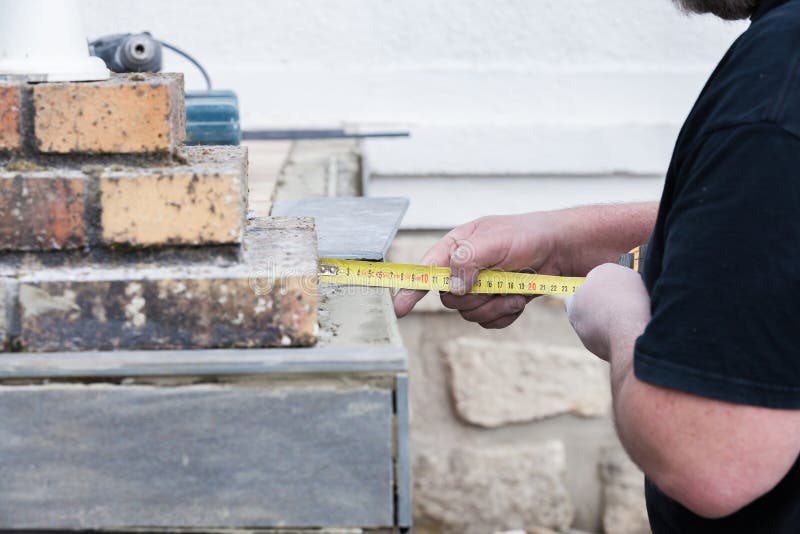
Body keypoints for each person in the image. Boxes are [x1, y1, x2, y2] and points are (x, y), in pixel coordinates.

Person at [393, 0, 800, 531]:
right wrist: (560, 242)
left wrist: (619, 316)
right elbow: (753, 221)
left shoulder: (776, 89)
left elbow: (710, 458)